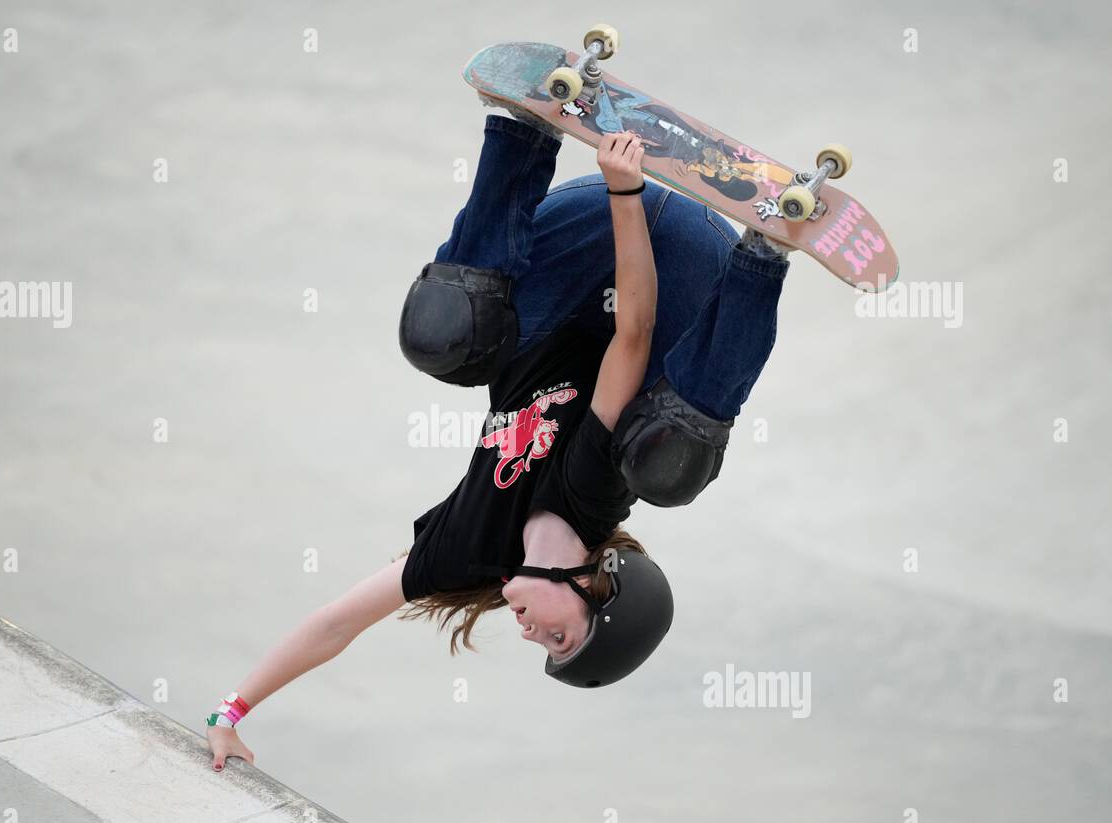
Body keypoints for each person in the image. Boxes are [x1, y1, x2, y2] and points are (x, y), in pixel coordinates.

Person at [206, 103, 789, 771]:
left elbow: (339, 621)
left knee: (444, 335)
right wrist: (626, 193)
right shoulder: (593, 495)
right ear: (598, 585)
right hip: (664, 263)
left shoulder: (467, 549)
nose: (531, 633)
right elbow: (634, 331)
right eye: (559, 635)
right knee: (669, 467)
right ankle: (765, 255)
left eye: (543, 647)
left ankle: (521, 131)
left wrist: (232, 712)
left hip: (570, 275)